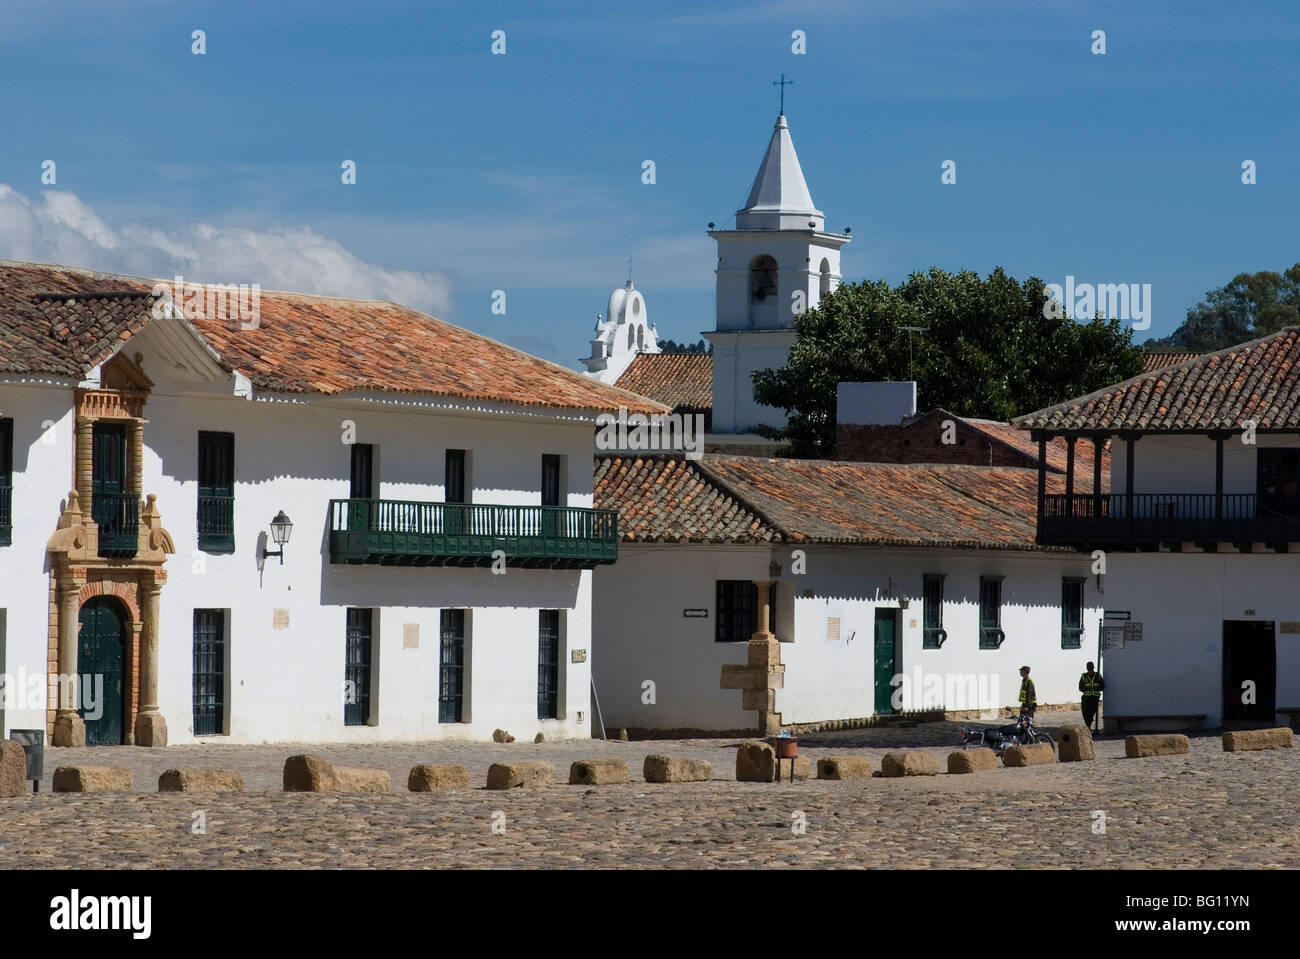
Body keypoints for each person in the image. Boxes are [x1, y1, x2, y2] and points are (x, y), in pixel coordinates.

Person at [1079, 661, 1105, 732]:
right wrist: (1087, 688)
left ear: (1093, 668)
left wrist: (1097, 688)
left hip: (1095, 697)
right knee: (1085, 712)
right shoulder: (1084, 676)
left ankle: (1088, 727)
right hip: (1086, 697)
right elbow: (1080, 688)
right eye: (1089, 668)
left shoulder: (1098, 675)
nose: (1090, 670)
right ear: (1087, 669)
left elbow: (1102, 686)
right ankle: (1088, 726)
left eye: (1091, 668)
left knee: (1091, 713)